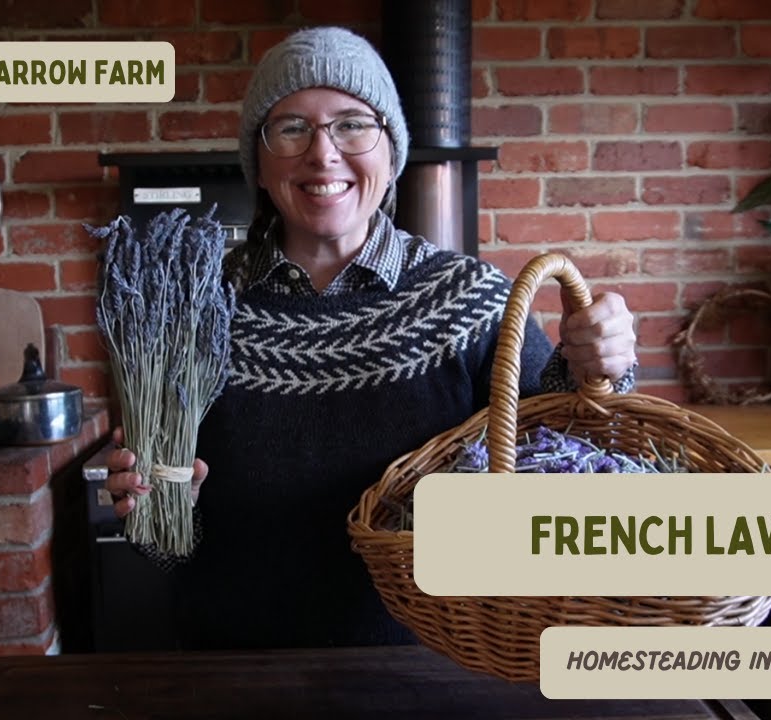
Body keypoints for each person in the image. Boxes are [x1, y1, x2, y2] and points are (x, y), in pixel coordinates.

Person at [105, 26, 638, 650]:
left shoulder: (467, 298)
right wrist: (150, 512)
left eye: (352, 124)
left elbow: (573, 450)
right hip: (233, 667)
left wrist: (602, 363)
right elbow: (163, 552)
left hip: (430, 672)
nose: (323, 154)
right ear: (261, 160)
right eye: (292, 128)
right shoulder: (193, 305)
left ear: (390, 152)